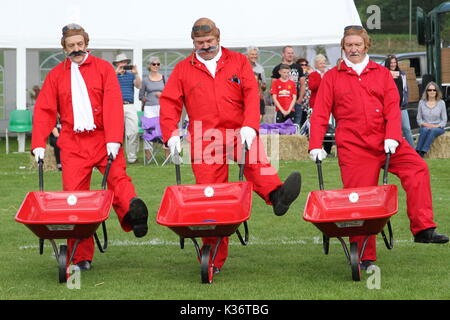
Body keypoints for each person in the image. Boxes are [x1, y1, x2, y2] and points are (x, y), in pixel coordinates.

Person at [160, 17, 301, 274]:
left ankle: (277, 195)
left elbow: (250, 93)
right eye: (199, 42)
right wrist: (170, 133)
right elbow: (169, 102)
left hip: (238, 129)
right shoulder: (182, 69)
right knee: (211, 196)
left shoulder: (237, 62)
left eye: (209, 41)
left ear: (219, 37)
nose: (205, 46)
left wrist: (249, 124)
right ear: (193, 42)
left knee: (258, 163)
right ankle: (212, 255)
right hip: (204, 135)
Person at [309, 25, 448, 271]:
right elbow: (320, 113)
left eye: (357, 45)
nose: (353, 49)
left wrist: (393, 136)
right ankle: (364, 256)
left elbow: (392, 108)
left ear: (366, 46)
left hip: (385, 140)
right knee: (360, 199)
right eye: (349, 45)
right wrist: (315, 144)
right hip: (353, 147)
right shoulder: (332, 76)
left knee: (417, 168)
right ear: (343, 47)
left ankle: (423, 228)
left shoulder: (382, 74)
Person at [31, 24, 149, 271]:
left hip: (103, 137)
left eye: (80, 44)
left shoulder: (104, 69)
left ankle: (134, 215)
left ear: (86, 44)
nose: (76, 49)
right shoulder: (55, 75)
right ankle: (80, 256)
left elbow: (113, 105)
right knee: (75, 200)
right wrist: (39, 143)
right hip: (73, 143)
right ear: (64, 48)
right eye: (71, 46)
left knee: (118, 178)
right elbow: (44, 109)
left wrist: (114, 139)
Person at [139, 56, 169, 162]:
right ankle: (148, 157)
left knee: (165, 129)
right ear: (149, 65)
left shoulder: (164, 78)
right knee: (148, 131)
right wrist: (146, 99)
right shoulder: (145, 80)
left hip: (161, 107)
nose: (156, 66)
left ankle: (167, 156)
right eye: (153, 64)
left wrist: (162, 95)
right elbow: (140, 96)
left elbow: (169, 94)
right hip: (149, 108)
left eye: (158, 64)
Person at [113, 53, 142, 164]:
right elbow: (107, 83)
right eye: (120, 62)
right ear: (117, 64)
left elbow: (139, 86)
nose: (123, 64)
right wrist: (116, 72)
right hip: (116, 105)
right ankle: (115, 155)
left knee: (133, 132)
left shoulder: (131, 75)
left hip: (129, 105)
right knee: (116, 132)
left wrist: (136, 74)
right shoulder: (113, 74)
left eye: (124, 62)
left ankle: (132, 157)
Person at [384, 55, 415, 148]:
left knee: (407, 128)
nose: (393, 64)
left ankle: (413, 150)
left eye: (394, 62)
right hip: (389, 108)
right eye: (391, 63)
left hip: (401, 107)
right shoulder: (384, 74)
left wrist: (405, 100)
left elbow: (405, 89)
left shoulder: (402, 74)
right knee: (392, 130)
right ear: (388, 64)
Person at [271, 46, 304, 127]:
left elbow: (303, 84)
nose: (290, 55)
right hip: (282, 102)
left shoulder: (298, 68)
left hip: (295, 101)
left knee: (296, 125)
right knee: (280, 126)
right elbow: (273, 85)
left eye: (292, 53)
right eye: (288, 53)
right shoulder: (277, 68)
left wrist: (299, 99)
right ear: (283, 54)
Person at [415, 82, 447, 157]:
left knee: (432, 130)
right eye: (430, 90)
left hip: (438, 128)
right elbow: (419, 119)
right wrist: (425, 124)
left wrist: (435, 126)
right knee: (425, 130)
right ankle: (417, 150)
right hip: (425, 126)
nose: (432, 92)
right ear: (426, 92)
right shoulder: (421, 102)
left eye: (434, 90)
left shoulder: (441, 103)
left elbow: (444, 120)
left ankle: (422, 151)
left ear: (437, 91)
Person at [247, 46, 267, 120]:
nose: (254, 56)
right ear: (248, 55)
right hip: (245, 98)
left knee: (258, 118)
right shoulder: (241, 66)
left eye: (256, 54)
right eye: (252, 54)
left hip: (257, 97)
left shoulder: (260, 68)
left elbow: (264, 85)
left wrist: (261, 85)